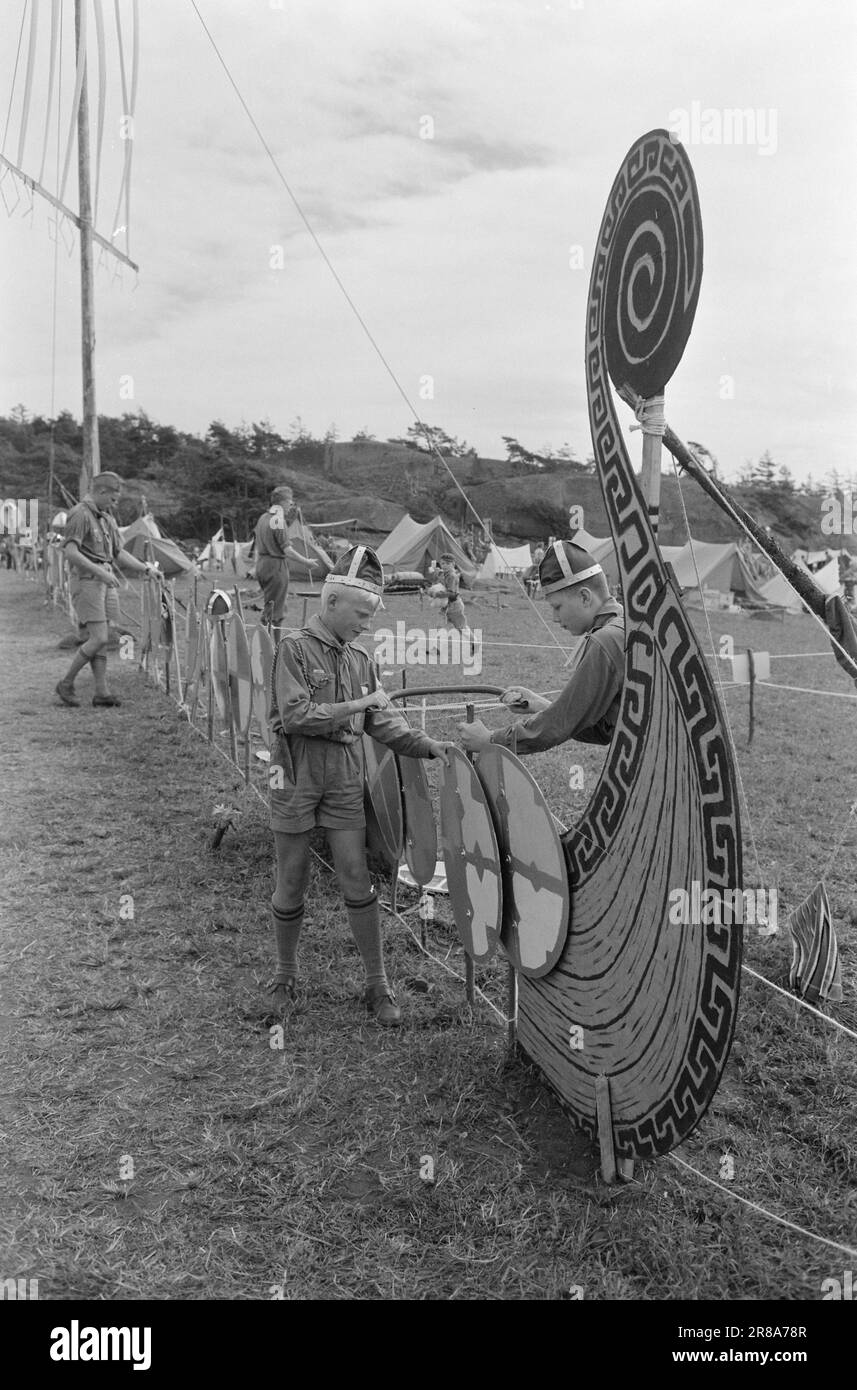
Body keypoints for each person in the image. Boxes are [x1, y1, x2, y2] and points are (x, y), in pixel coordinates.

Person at [267, 545, 451, 1026]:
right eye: (361, 613)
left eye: (371, 615)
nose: (367, 624)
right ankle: (285, 977)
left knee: (356, 874)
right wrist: (360, 703)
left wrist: (430, 746)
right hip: (295, 774)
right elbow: (296, 715)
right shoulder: (293, 649)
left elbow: (383, 724)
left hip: (345, 775)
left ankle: (377, 984)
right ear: (330, 604)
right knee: (293, 874)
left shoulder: (361, 658)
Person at [458, 540, 625, 754]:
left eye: (557, 606)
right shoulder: (623, 625)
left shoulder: (607, 640)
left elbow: (560, 724)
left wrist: (491, 740)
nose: (555, 618)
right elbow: (602, 730)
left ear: (584, 597)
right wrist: (540, 704)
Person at [55, 472, 159, 708]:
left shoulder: (106, 519)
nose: (115, 504)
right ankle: (66, 682)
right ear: (101, 491)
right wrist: (101, 572)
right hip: (88, 580)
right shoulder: (79, 514)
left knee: (102, 638)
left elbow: (118, 553)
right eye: (113, 499)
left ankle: (101, 692)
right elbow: (71, 552)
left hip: (104, 580)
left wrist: (146, 569)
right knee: (99, 637)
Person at [253, 486, 322, 632]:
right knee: (275, 611)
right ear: (282, 502)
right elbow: (287, 550)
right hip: (275, 566)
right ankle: (271, 645)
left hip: (262, 564)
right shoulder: (278, 520)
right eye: (290, 502)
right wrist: (307, 562)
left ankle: (268, 642)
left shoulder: (262, 518)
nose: (291, 506)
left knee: (271, 605)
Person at [439, 553, 468, 634]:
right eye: (443, 563)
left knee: (461, 628)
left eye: (448, 564)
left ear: (453, 564)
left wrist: (438, 594)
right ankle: (438, 646)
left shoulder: (451, 576)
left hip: (454, 605)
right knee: (443, 627)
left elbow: (451, 593)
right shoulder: (445, 574)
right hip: (447, 605)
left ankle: (475, 643)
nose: (444, 566)